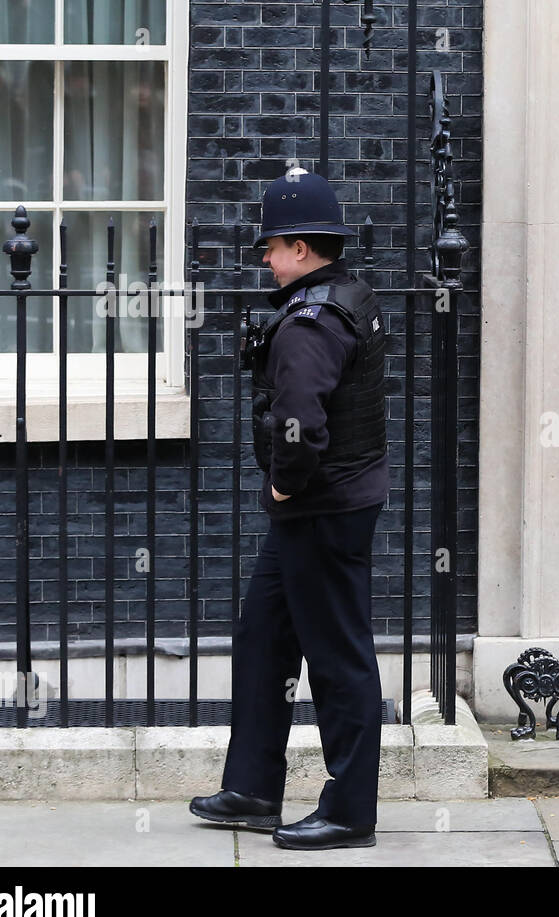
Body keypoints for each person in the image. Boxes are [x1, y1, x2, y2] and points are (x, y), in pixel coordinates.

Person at [189, 168, 390, 850]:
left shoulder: (309, 320)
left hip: (320, 507)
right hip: (323, 505)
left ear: (301, 248)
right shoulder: (349, 295)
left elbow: (300, 420)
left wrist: (284, 483)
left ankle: (349, 812)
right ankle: (251, 787)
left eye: (271, 248)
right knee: (263, 639)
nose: (266, 260)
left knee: (339, 658)